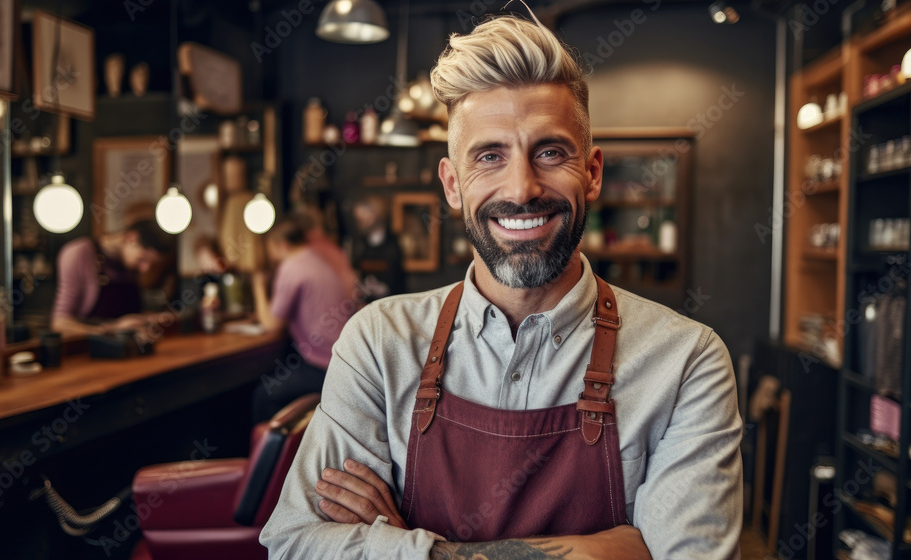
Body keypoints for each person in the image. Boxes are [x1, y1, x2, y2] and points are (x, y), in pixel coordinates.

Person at [260, 12, 743, 560]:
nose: (522, 188)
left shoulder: (686, 362)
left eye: (550, 152)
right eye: (490, 157)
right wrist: (606, 551)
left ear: (593, 171)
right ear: (452, 185)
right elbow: (296, 544)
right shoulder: (377, 343)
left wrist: (399, 545)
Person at [251, 214, 357, 424]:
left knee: (264, 395)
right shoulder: (318, 260)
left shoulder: (291, 266)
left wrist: (258, 285)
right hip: (343, 362)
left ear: (280, 244)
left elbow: (271, 325)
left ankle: (269, 457)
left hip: (323, 367)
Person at [52, 220, 174, 336]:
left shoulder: (128, 265)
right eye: (142, 259)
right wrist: (112, 330)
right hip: (91, 352)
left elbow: (125, 316)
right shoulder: (78, 253)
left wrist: (147, 319)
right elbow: (60, 324)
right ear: (130, 238)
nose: (144, 269)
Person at [350, 195, 405, 302]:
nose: (360, 220)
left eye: (365, 214)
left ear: (378, 213)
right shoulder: (358, 245)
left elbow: (397, 280)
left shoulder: (394, 244)